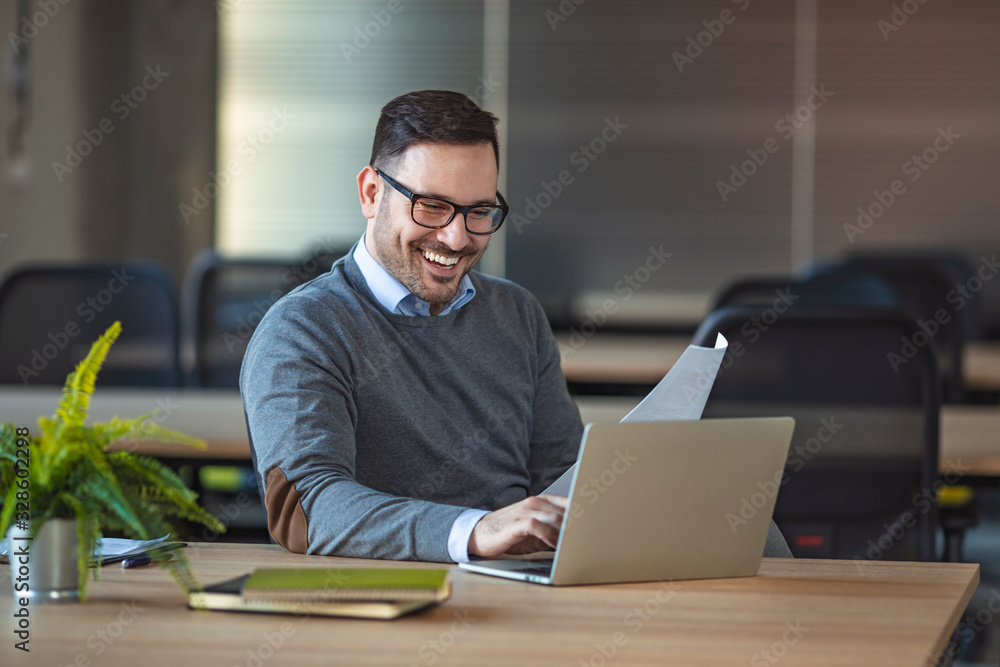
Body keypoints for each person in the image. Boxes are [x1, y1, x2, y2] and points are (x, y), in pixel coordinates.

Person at [240, 89, 792, 562]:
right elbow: (307, 509)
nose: (457, 239)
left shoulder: (515, 314)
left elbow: (566, 481)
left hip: (526, 583)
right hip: (405, 593)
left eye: (479, 211)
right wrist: (475, 531)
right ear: (371, 193)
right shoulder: (303, 330)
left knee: (750, 532)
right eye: (431, 207)